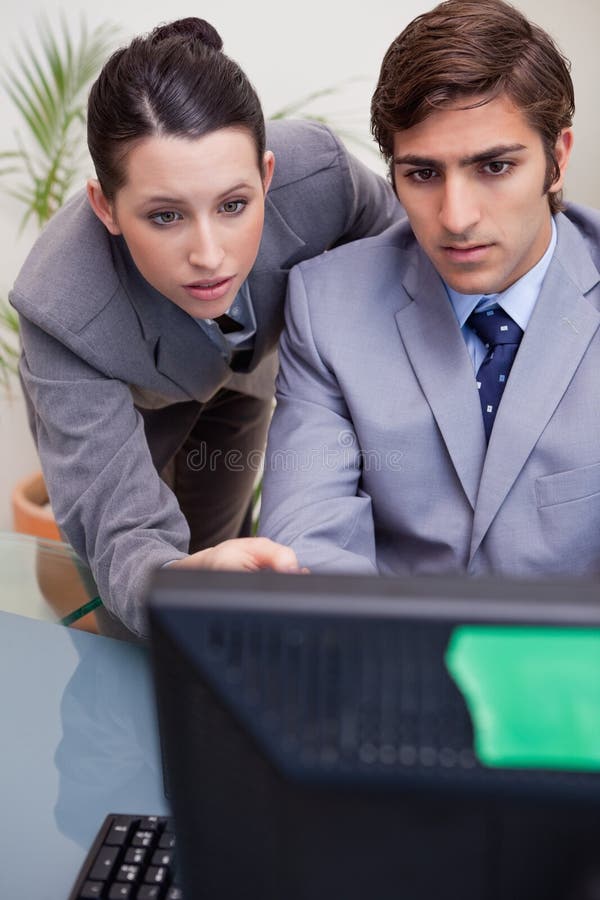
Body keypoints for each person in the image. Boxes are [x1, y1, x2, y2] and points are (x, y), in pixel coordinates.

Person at [10, 18, 402, 637]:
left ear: (268, 177)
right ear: (105, 206)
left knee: (222, 540)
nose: (210, 254)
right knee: (146, 600)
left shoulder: (319, 176)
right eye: (165, 215)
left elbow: (401, 253)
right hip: (139, 407)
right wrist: (173, 584)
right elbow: (124, 534)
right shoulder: (60, 312)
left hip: (249, 377)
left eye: (233, 205)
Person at [259, 0, 600, 583]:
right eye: (422, 174)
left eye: (494, 167)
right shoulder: (327, 306)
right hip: (384, 657)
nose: (456, 216)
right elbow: (306, 543)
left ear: (557, 158)